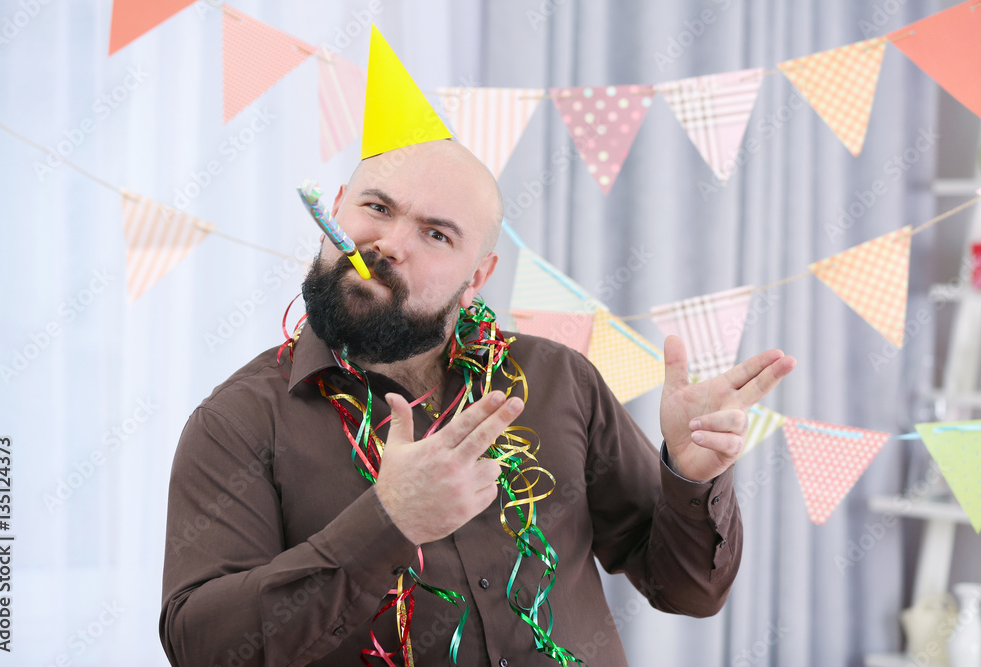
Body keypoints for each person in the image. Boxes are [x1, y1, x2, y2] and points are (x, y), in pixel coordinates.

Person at [159, 137, 796, 666]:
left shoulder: (556, 379)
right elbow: (201, 647)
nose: (388, 244)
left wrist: (690, 475)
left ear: (477, 279)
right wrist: (388, 521)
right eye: (376, 207)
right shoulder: (236, 424)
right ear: (335, 212)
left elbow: (687, 590)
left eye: (436, 234)